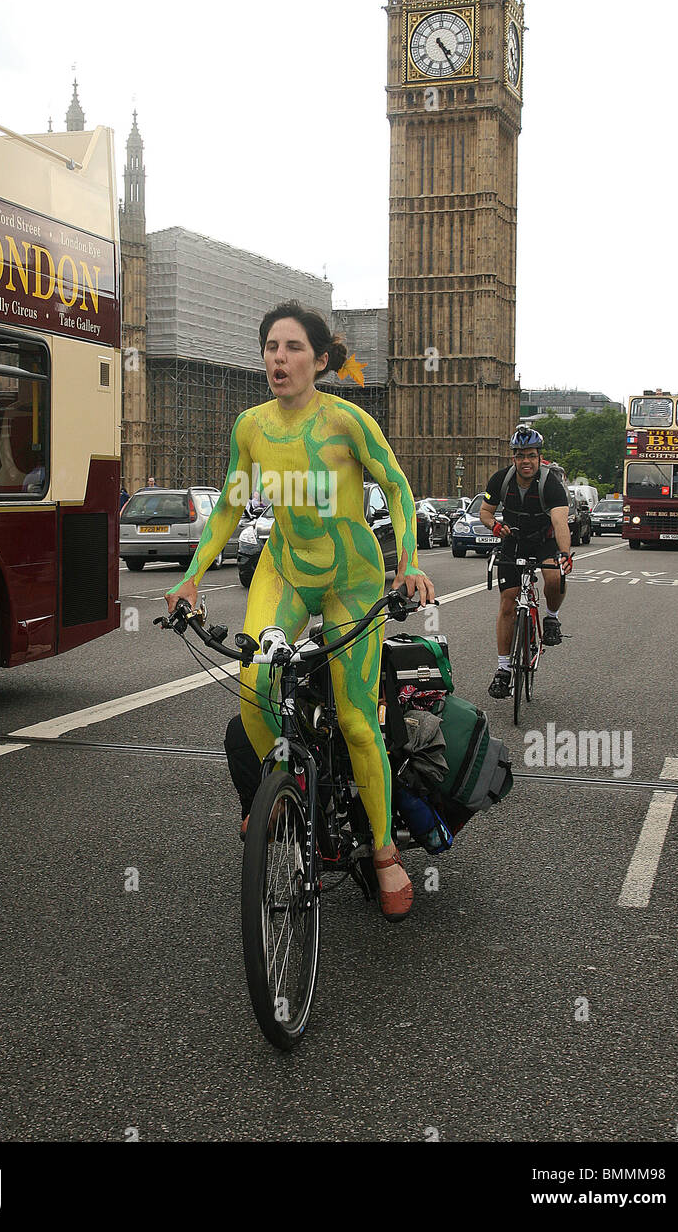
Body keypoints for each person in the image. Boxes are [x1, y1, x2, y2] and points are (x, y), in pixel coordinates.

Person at [165, 301, 435, 921]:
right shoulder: (250, 426)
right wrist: (191, 577)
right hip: (285, 570)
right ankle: (282, 801)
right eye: (269, 347)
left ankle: (385, 850)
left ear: (318, 359)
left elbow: (396, 486)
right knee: (255, 684)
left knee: (358, 719)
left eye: (290, 348)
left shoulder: (347, 421)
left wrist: (408, 563)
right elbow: (232, 506)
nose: (277, 358)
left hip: (352, 577)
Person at [480, 426, 573, 700]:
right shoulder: (501, 480)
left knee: (554, 578)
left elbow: (560, 523)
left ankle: (552, 618)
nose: (526, 461)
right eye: (520, 456)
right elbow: (486, 512)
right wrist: (495, 528)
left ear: (539, 457)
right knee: (508, 601)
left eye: (531, 456)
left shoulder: (551, 485)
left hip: (544, 541)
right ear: (514, 458)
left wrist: (565, 554)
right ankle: (503, 670)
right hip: (513, 540)